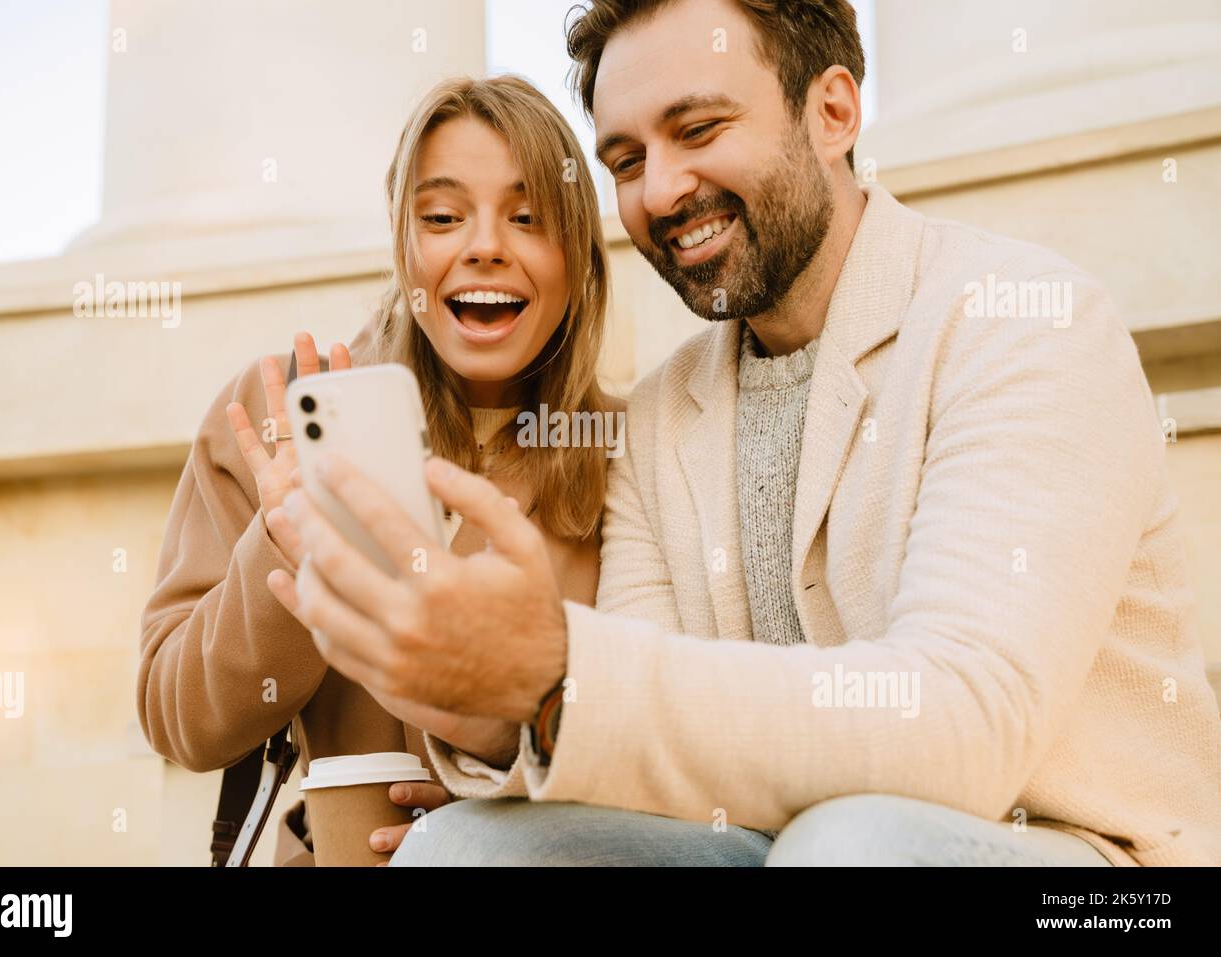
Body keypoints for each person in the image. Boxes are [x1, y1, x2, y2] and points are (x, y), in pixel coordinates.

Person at [277, 0, 1221, 867]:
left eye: (698, 130)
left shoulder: (1024, 322)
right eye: (627, 160)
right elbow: (642, 752)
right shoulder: (655, 416)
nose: (662, 190)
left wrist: (563, 667)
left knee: (851, 848)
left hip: (1090, 867)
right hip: (775, 846)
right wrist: (494, 703)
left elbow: (964, 730)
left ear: (834, 112)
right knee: (463, 852)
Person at [138, 74, 621, 865]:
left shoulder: (630, 445)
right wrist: (287, 540)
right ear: (404, 246)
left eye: (528, 217)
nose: (485, 243)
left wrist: (495, 798)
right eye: (442, 216)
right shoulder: (279, 414)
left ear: (577, 255)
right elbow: (179, 718)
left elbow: (665, 727)